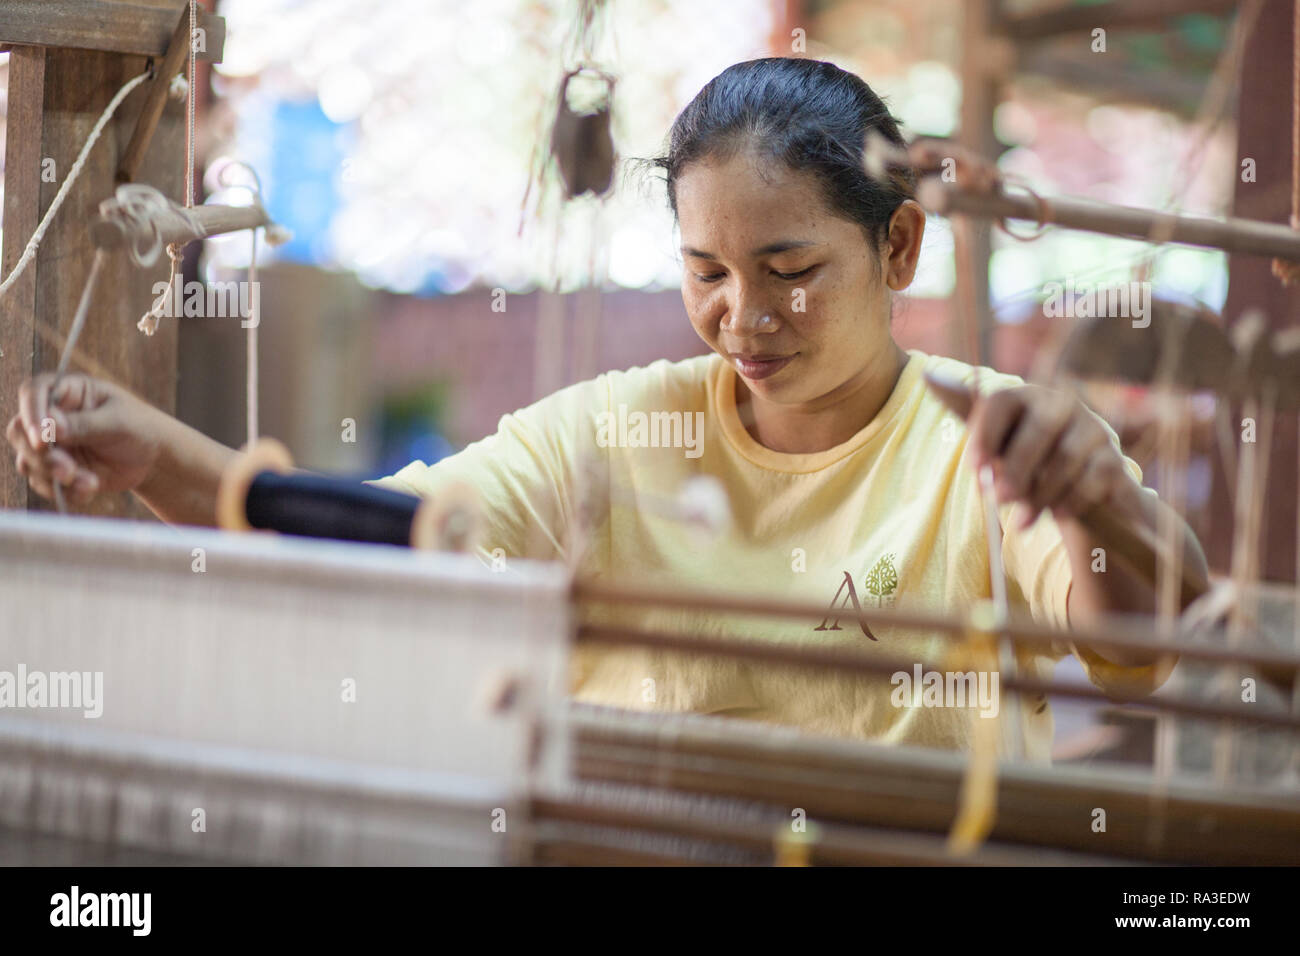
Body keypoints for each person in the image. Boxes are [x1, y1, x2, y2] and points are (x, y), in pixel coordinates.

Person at [5, 57, 1205, 761]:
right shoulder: (620, 429)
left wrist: (1099, 500)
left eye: (790, 272)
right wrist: (148, 449)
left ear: (896, 246)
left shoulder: (990, 440)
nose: (744, 318)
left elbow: (1148, 647)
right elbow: (376, 540)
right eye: (706, 273)